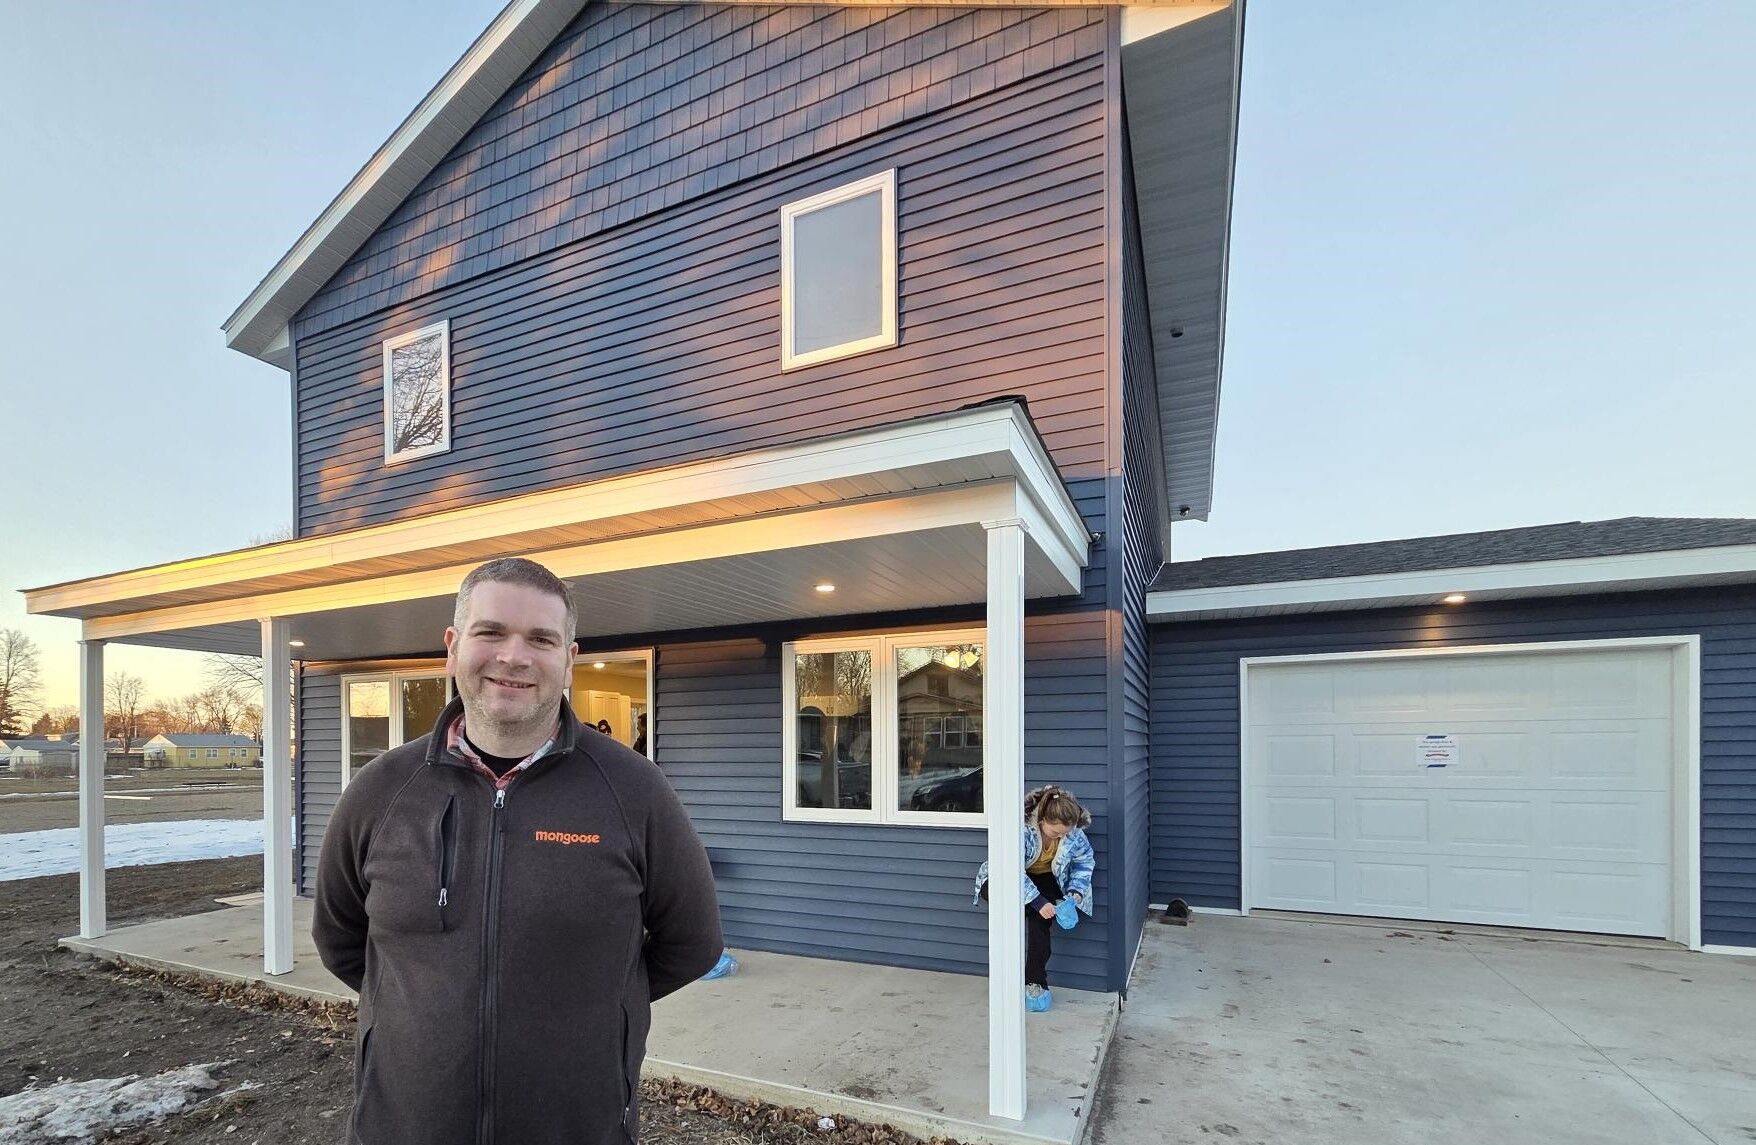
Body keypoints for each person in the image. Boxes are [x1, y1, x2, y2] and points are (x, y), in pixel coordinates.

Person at [313, 557, 722, 1144]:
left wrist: (596, 1008)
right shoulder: (381, 791)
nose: (514, 656)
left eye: (540, 639)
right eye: (491, 632)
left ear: (569, 660)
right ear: (453, 645)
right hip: (400, 1128)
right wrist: (433, 1012)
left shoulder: (635, 792)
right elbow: (341, 942)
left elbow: (693, 944)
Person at [972, 785, 1095, 1013]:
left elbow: (1084, 862)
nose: (1060, 837)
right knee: (1015, 909)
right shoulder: (1021, 831)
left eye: (1065, 834)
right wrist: (1038, 902)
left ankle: (1035, 982)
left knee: (1041, 924)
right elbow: (1010, 868)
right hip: (1004, 876)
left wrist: (1076, 890)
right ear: (1042, 820)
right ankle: (1005, 978)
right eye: (1055, 833)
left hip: (1044, 878)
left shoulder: (1073, 833)